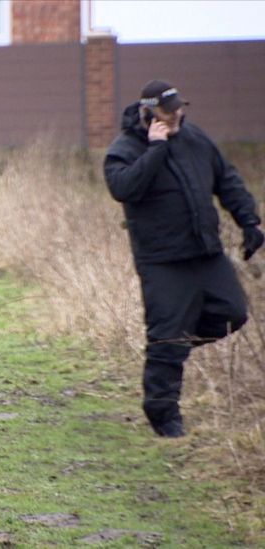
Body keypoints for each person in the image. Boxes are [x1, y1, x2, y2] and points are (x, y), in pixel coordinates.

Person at [104, 80, 264, 438]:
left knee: (233, 313)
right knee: (165, 338)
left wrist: (249, 220)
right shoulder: (124, 149)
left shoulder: (195, 139)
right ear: (147, 113)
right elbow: (123, 188)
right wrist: (156, 149)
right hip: (161, 261)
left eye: (179, 107)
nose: (177, 114)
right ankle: (163, 417)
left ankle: (171, 353)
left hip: (205, 252)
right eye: (168, 110)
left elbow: (227, 180)